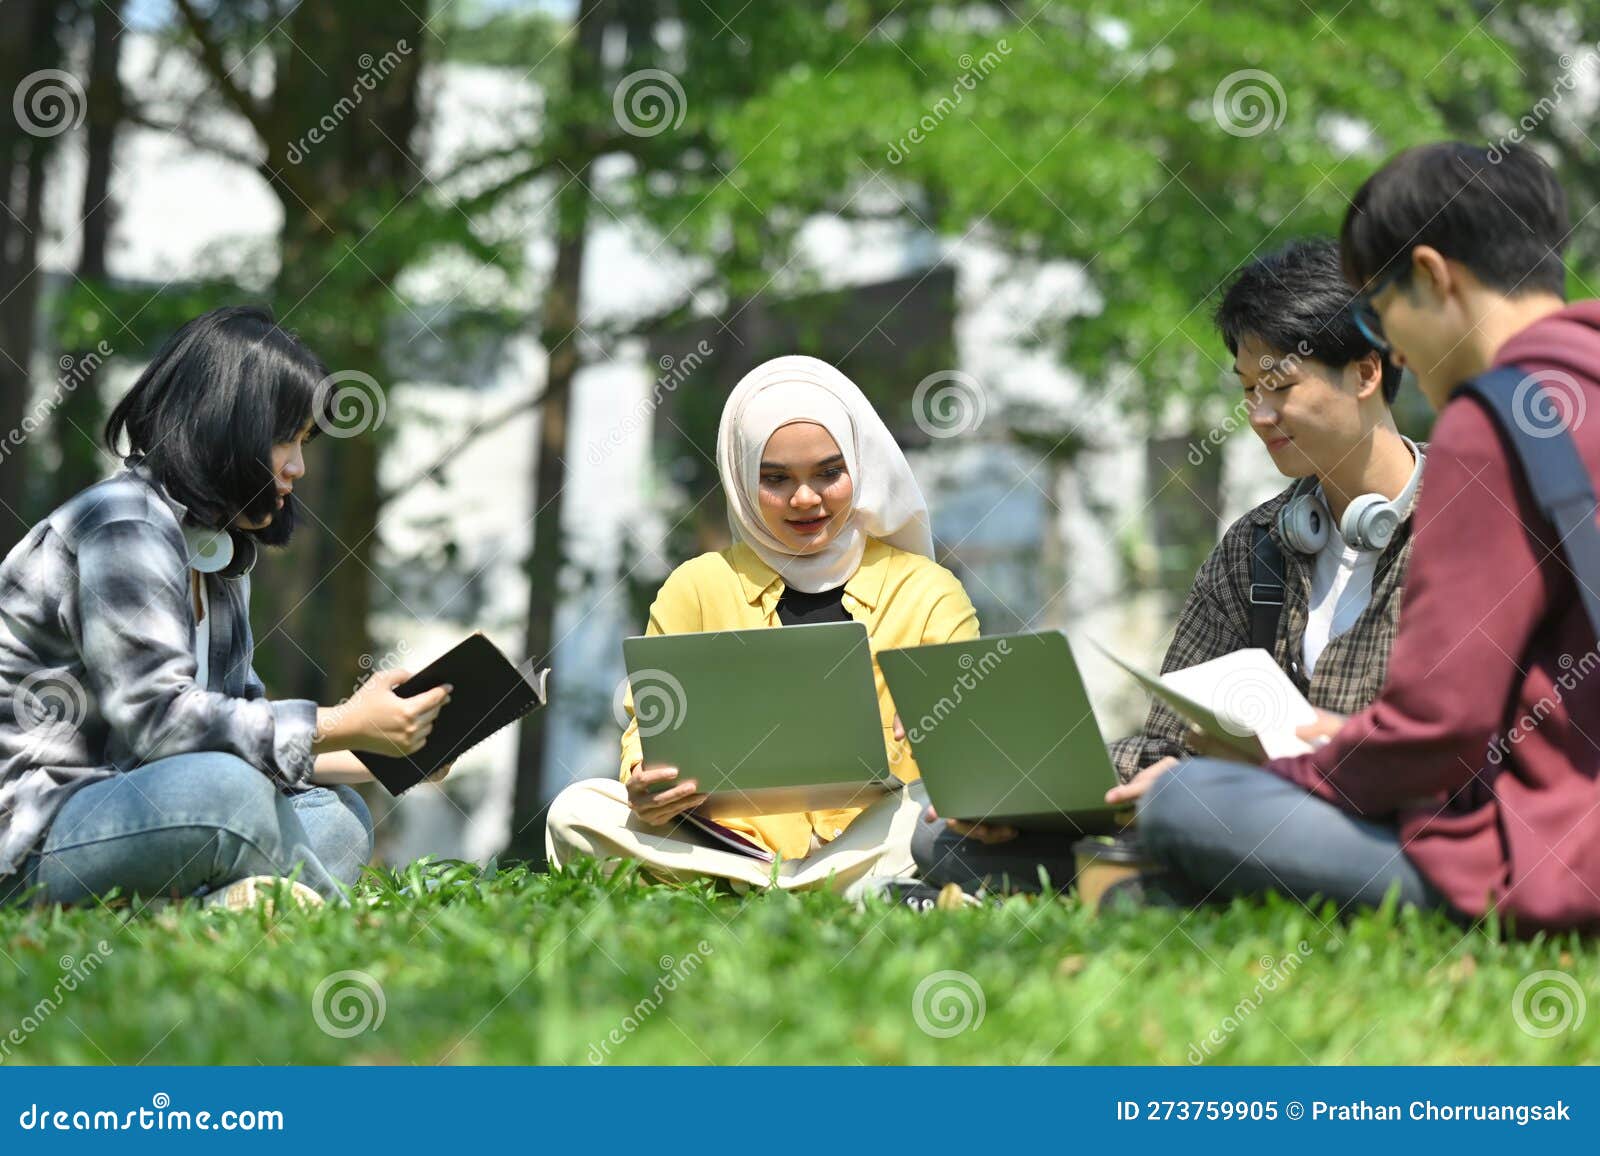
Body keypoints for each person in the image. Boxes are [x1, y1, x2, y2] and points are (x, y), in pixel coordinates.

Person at [1139, 142, 1600, 931]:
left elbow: (1440, 730)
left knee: (1189, 802)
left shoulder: (1489, 422)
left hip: (1548, 859)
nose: (1400, 358)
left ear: (1432, 274)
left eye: (1382, 315)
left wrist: (1299, 762)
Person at [914, 238, 1420, 895]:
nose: (1258, 416)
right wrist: (1028, 787)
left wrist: (1254, 774)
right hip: (1242, 818)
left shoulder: (1475, 522)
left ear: (1364, 372)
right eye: (1246, 391)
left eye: (1280, 388)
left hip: (1398, 826)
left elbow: (1476, 754)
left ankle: (1160, 882)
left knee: (1184, 807)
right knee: (942, 832)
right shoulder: (1257, 544)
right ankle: (1164, 881)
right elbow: (1164, 746)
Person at [0, 306, 453, 910]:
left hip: (147, 808)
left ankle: (208, 908)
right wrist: (343, 721)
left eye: (304, 442)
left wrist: (382, 752)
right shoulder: (124, 523)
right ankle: (311, 913)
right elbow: (161, 726)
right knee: (227, 789)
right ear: (223, 426)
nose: (298, 465)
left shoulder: (219, 549)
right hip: (36, 839)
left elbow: (238, 722)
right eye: (284, 439)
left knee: (337, 814)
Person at [546, 355, 980, 892]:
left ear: (859, 468)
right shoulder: (696, 587)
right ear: (740, 478)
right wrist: (647, 786)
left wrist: (939, 734)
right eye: (775, 479)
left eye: (828, 472)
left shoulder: (928, 591)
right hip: (728, 840)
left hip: (875, 836)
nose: (805, 499)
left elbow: (969, 753)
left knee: (930, 811)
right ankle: (824, 890)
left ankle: (767, 889)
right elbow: (647, 732)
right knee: (577, 810)